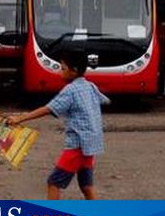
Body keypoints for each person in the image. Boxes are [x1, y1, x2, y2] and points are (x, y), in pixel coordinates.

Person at [6, 50, 110, 200]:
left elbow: (49, 109)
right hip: (91, 144)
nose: (60, 72)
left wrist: (20, 118)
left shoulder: (71, 90)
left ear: (74, 70)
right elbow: (104, 100)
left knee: (54, 183)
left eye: (63, 68)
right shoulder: (90, 86)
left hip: (78, 146)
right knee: (86, 185)